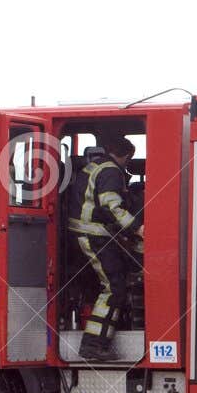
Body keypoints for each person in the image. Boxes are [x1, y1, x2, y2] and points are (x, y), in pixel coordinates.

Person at [67, 134, 141, 362]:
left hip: (85, 234)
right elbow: (112, 207)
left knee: (111, 284)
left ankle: (95, 343)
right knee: (114, 288)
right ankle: (93, 346)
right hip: (93, 235)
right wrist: (137, 229)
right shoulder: (111, 171)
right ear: (126, 156)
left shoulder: (95, 166)